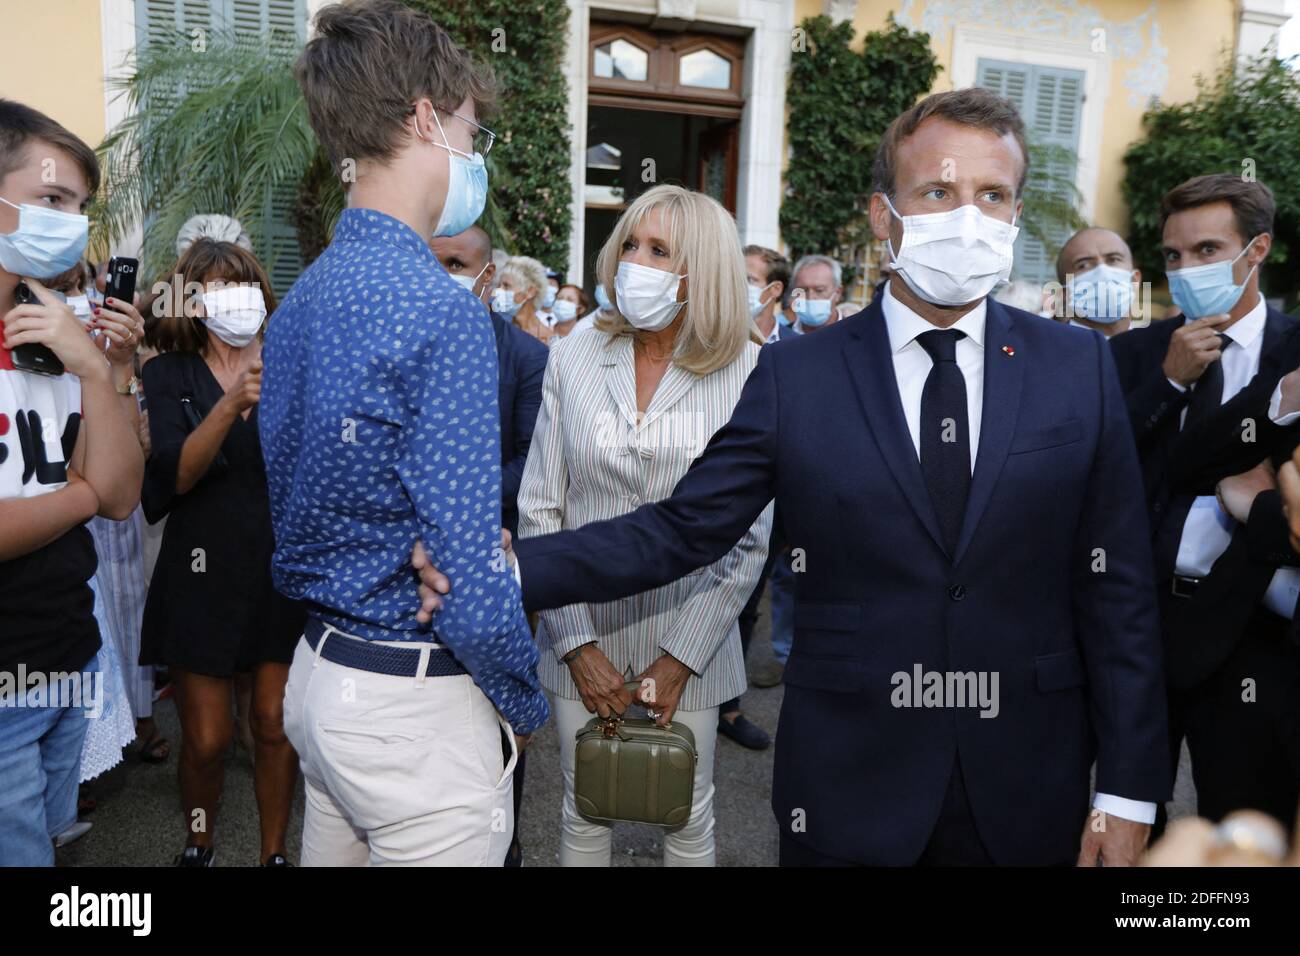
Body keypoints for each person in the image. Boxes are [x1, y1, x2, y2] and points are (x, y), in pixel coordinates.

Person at [472, 86, 1170, 866]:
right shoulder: (798, 374)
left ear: (1013, 214)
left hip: (1028, 777)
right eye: (938, 191)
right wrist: (505, 568)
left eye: (992, 195)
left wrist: (1129, 790)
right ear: (885, 215)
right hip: (849, 778)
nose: (967, 218)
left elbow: (1119, 590)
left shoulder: (1077, 368)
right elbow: (682, 531)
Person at [261, 0, 547, 867]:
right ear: (427, 117)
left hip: (319, 678)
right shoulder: (439, 310)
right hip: (410, 707)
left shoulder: (305, 295)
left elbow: (307, 489)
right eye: (470, 126)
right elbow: (462, 576)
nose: (474, 148)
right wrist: (524, 705)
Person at [517, 183, 772, 866]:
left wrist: (681, 655)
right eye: (630, 242)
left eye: (659, 249)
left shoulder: (750, 369)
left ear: (703, 269)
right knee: (583, 810)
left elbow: (748, 536)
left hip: (691, 636)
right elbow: (540, 506)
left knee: (686, 818)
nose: (635, 259)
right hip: (582, 628)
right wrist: (576, 643)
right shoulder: (572, 354)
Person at [1114, 175, 1300, 833]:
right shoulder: (1136, 353)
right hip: (1143, 623)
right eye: (1172, 256)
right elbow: (1102, 470)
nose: (1186, 269)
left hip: (1257, 632)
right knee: (1130, 817)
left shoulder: (1296, 353)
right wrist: (1167, 381)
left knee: (1244, 825)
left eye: (1206, 250)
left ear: (1257, 250)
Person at [0, 99, 144, 866]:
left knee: (53, 850)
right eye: (52, 198)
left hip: (68, 659)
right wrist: (83, 493)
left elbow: (121, 494)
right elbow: (97, 493)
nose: (71, 222)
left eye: (80, 206)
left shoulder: (52, 332)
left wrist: (100, 367)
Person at [140, 238, 305, 867]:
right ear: (191, 299)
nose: (234, 297)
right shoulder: (168, 374)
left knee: (272, 724)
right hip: (199, 568)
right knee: (206, 740)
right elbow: (177, 475)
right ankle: (199, 840)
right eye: (213, 285)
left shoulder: (292, 362)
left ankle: (272, 854)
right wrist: (232, 404)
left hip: (278, 568)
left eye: (242, 284)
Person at [430, 223, 548, 868]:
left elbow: (533, 459)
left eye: (458, 262)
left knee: (500, 707)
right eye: (435, 260)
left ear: (490, 271)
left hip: (497, 562)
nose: (447, 273)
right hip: (412, 568)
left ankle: (503, 844)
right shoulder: (404, 342)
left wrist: (454, 495)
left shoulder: (528, 359)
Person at [1056, 226, 1141, 337]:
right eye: (1083, 265)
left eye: (1113, 259)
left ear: (1135, 279)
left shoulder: (1160, 348)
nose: (1102, 271)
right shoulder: (1043, 350)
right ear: (1064, 293)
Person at [494, 255, 553, 346]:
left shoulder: (548, 338)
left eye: (506, 286)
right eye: (498, 285)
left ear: (530, 292)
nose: (498, 291)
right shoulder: (495, 329)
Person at [788, 254, 844, 333]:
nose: (810, 297)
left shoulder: (858, 335)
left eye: (819, 290)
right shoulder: (780, 337)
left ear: (838, 293)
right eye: (803, 290)